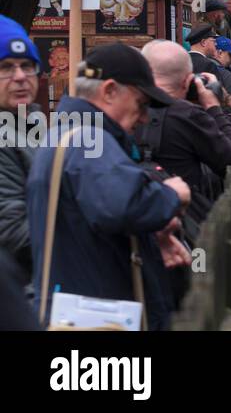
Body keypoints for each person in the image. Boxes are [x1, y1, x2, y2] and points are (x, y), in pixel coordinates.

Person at [26, 43, 192, 330]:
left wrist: (152, 237)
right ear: (110, 91)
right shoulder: (91, 141)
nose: (143, 118)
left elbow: (93, 224)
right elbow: (122, 206)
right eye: (141, 104)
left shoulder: (68, 134)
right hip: (98, 323)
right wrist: (171, 196)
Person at [140, 40, 231, 219]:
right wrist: (214, 108)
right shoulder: (189, 116)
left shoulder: (131, 112)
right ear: (188, 81)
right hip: (184, 222)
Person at [0, 16, 39, 284]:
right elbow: (13, 232)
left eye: (27, 65)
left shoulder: (33, 124)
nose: (20, 77)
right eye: (6, 67)